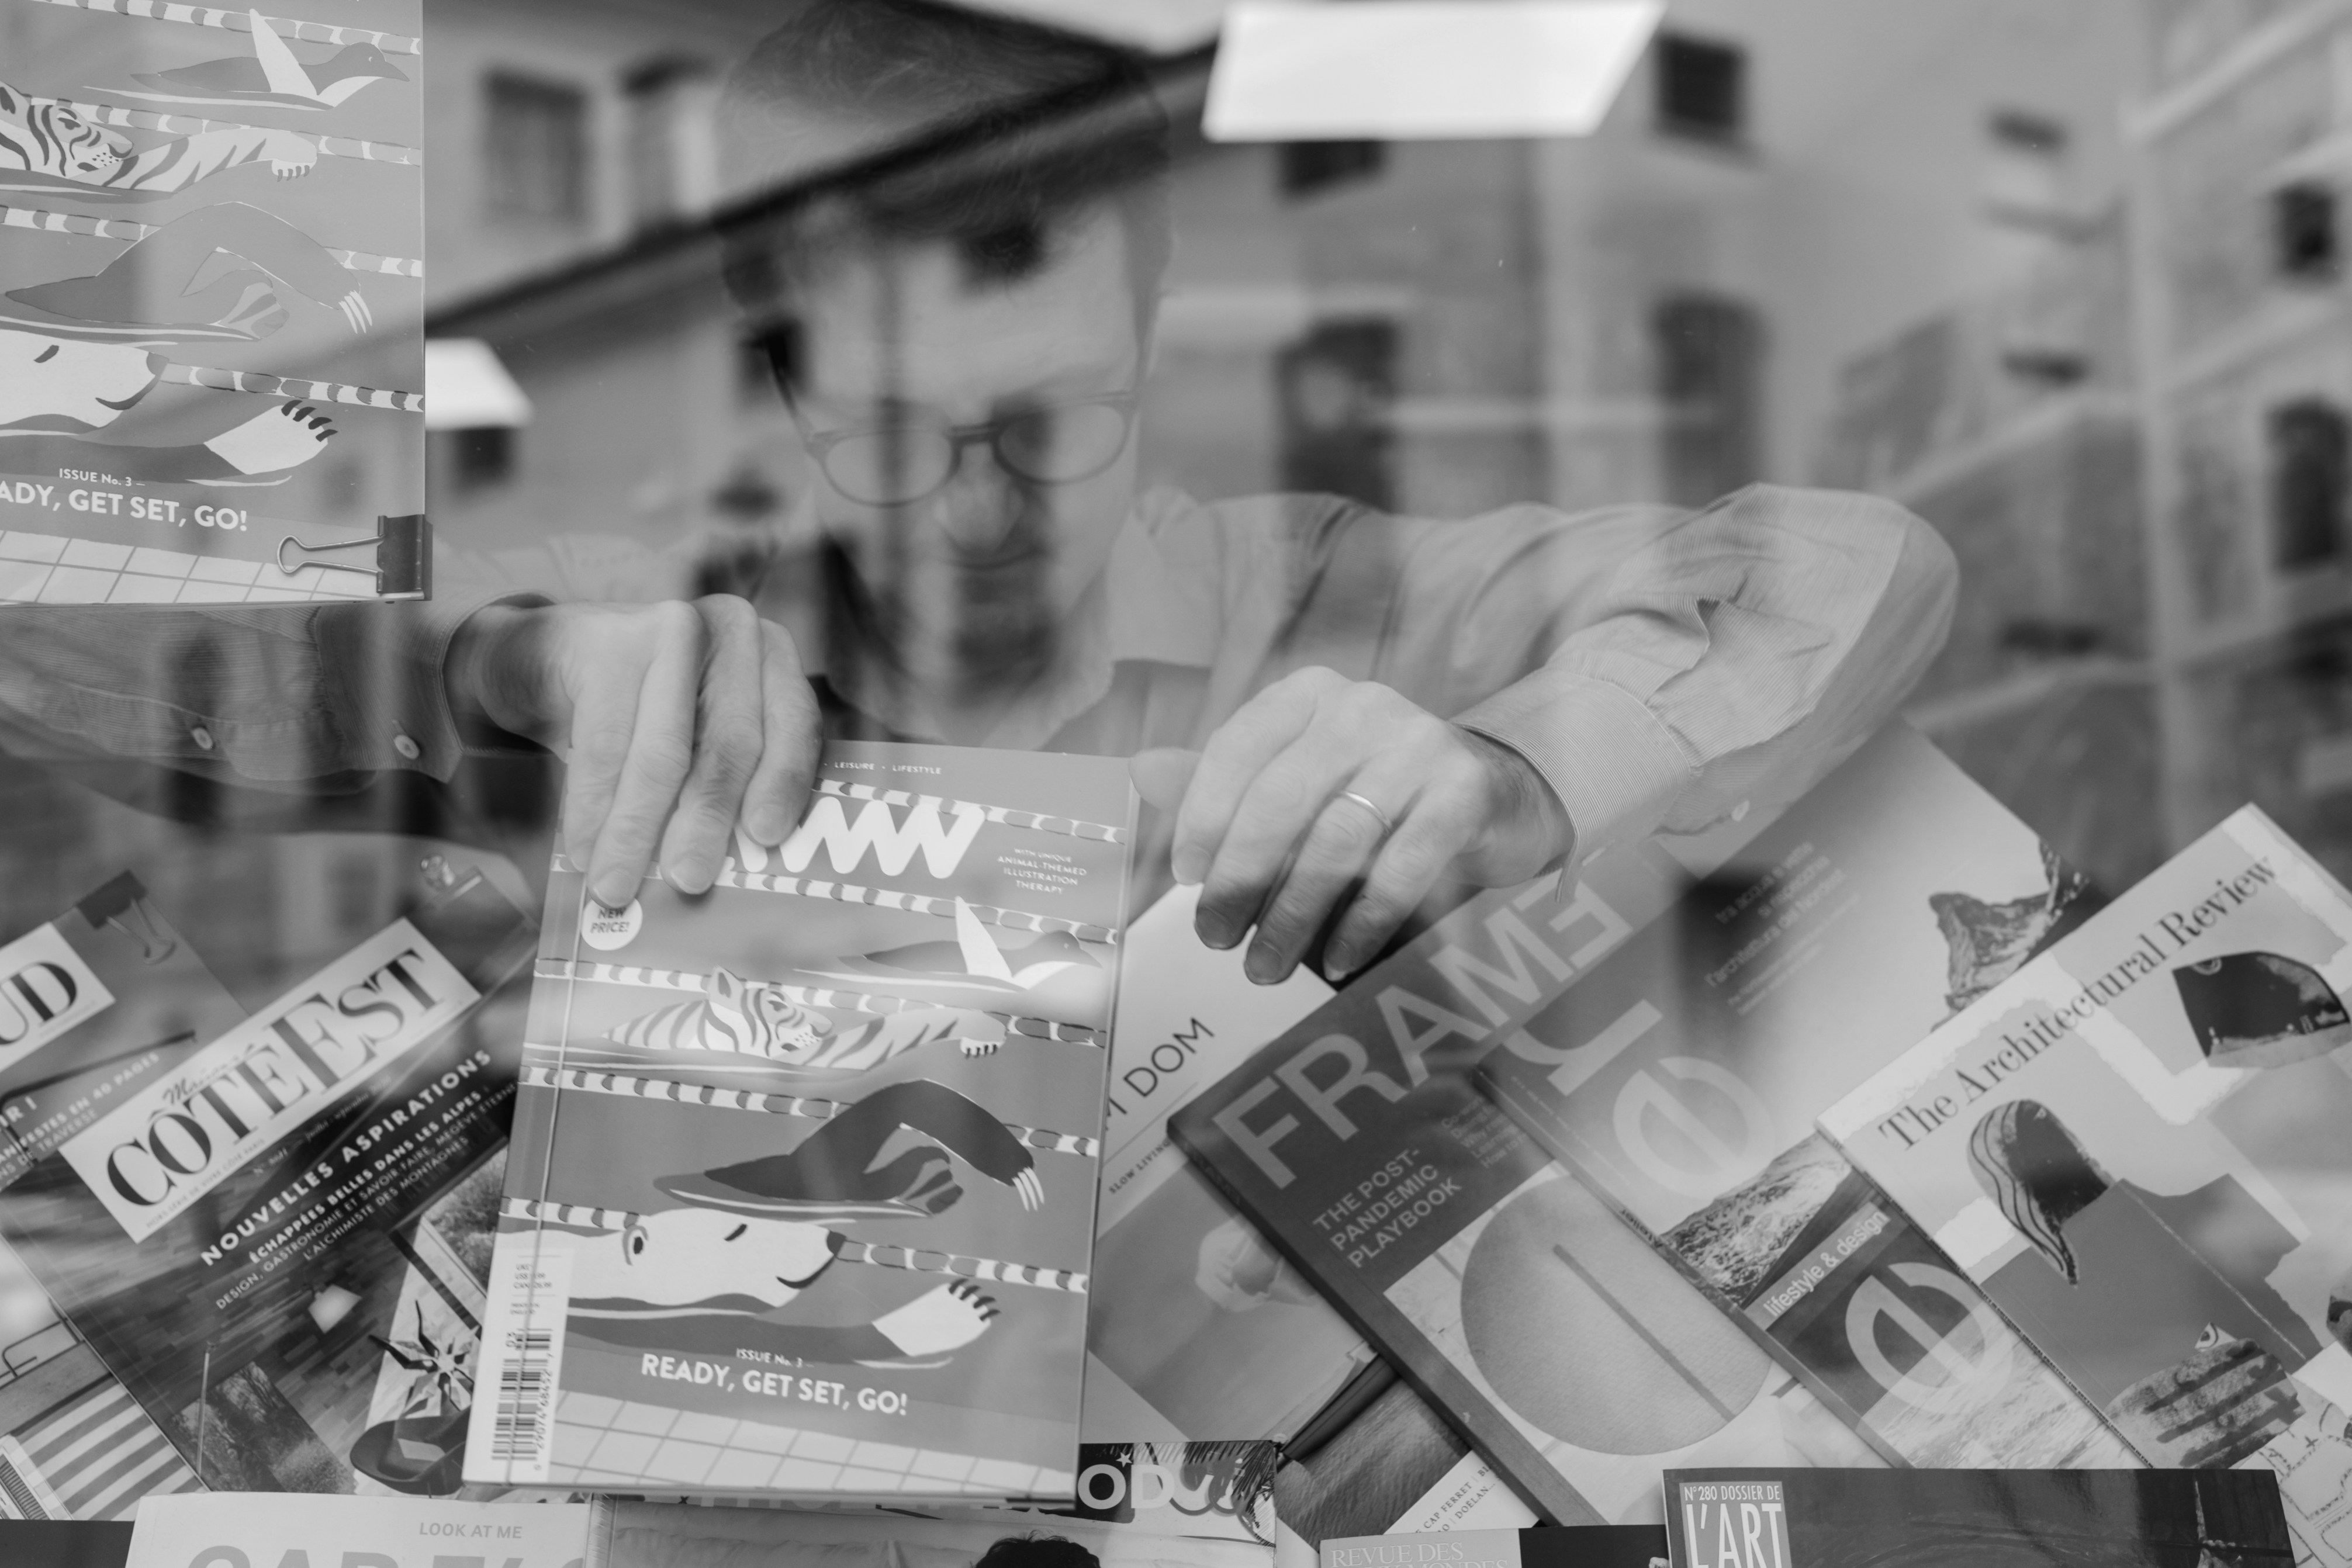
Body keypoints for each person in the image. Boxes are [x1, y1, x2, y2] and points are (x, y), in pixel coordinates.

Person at [0, 0, 1957, 989]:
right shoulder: (622, 616)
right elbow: (52, 648)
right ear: (771, 381)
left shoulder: (1342, 598)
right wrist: (501, 667)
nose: (973, 504)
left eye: (1055, 420)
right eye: (886, 426)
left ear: (1153, 336)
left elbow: (1855, 562)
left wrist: (1520, 772)